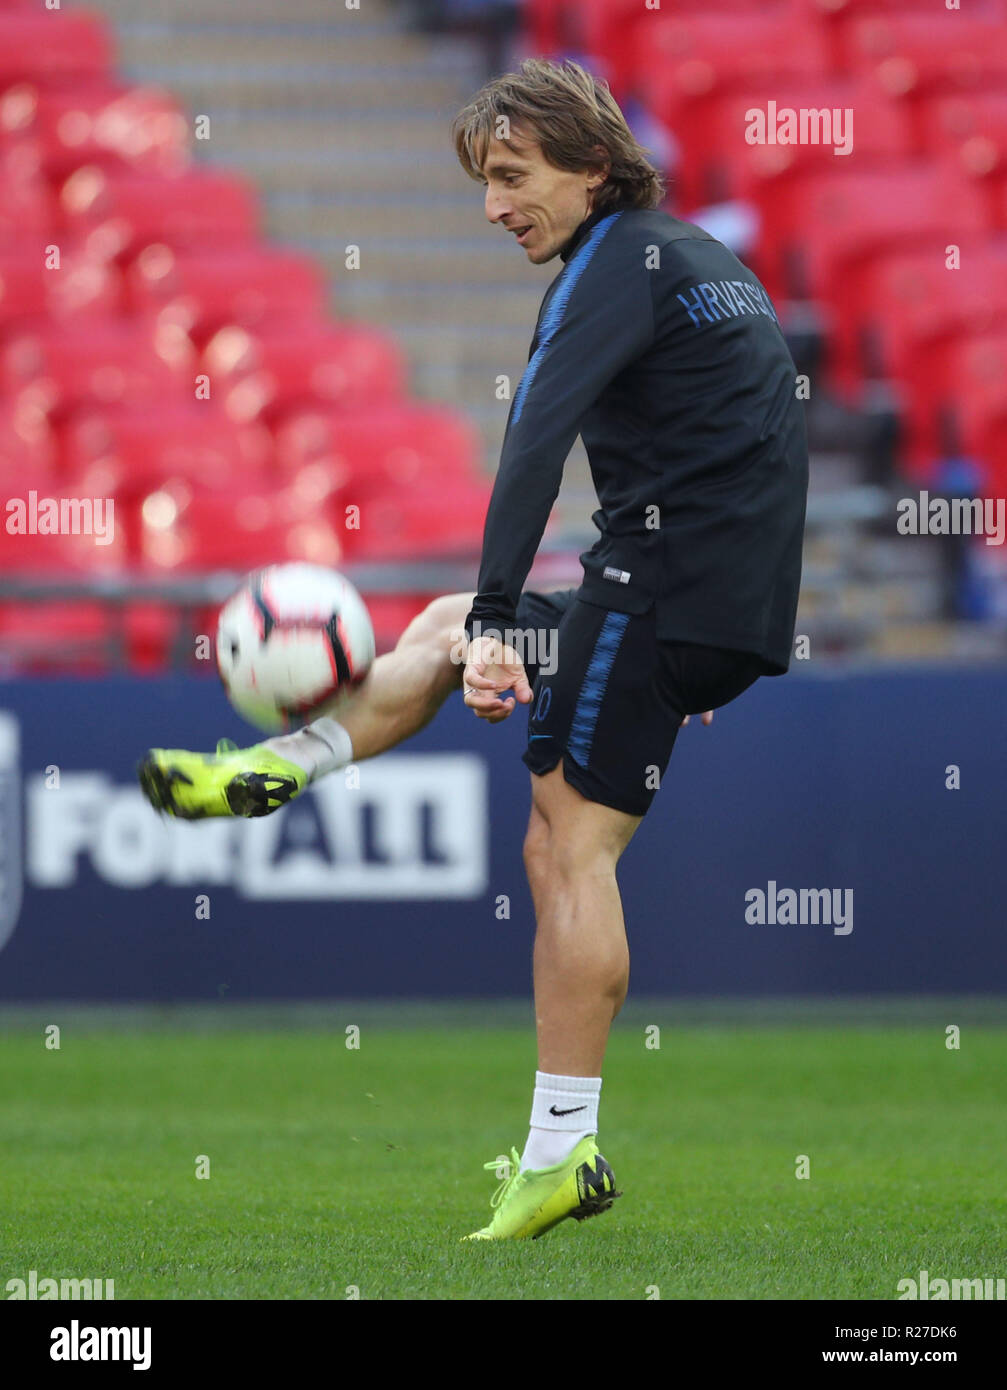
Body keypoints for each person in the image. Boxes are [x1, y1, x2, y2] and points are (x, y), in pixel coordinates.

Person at [138, 58, 808, 1242]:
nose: (494, 206)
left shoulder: (612, 264)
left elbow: (534, 438)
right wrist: (501, 622)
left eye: (512, 176)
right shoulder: (693, 258)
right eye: (483, 182)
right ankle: (278, 768)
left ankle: (562, 1152)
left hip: (658, 588)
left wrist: (515, 613)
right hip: (707, 599)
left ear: (591, 165)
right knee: (445, 631)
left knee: (565, 847)